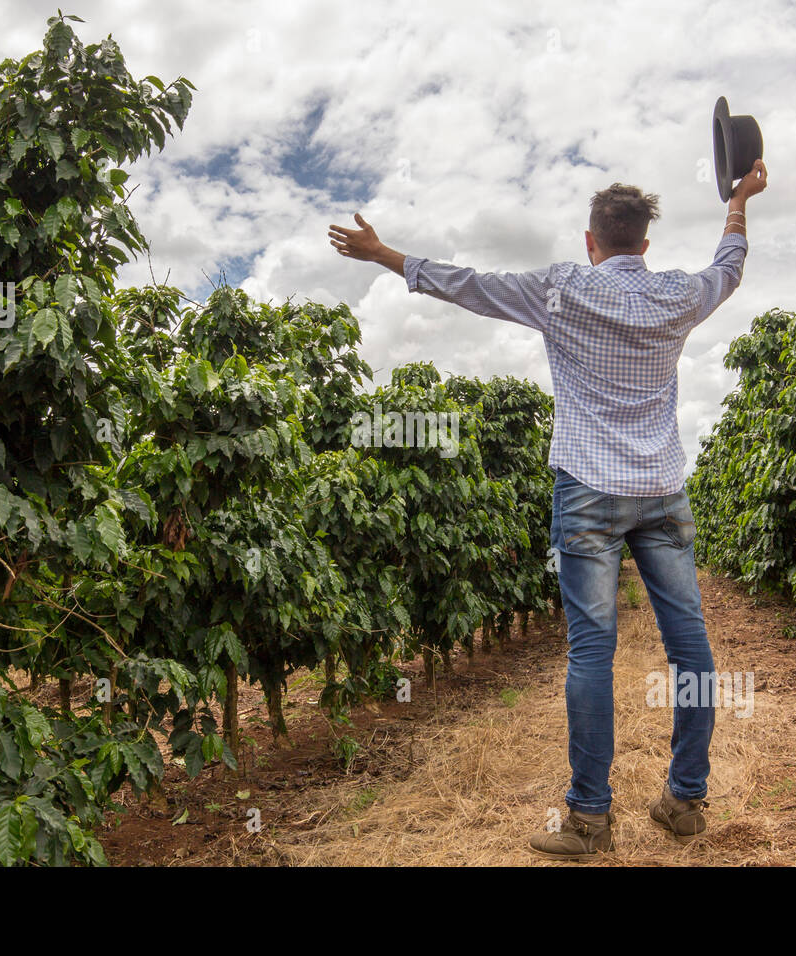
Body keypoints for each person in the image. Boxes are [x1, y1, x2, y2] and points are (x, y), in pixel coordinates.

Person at [328, 159, 768, 859]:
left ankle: (590, 819)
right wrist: (739, 201)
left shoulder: (561, 288)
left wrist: (385, 255)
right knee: (690, 647)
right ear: (644, 245)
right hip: (661, 489)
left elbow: (470, 286)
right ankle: (685, 801)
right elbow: (730, 265)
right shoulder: (679, 295)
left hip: (588, 489)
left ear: (591, 241)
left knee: (592, 651)